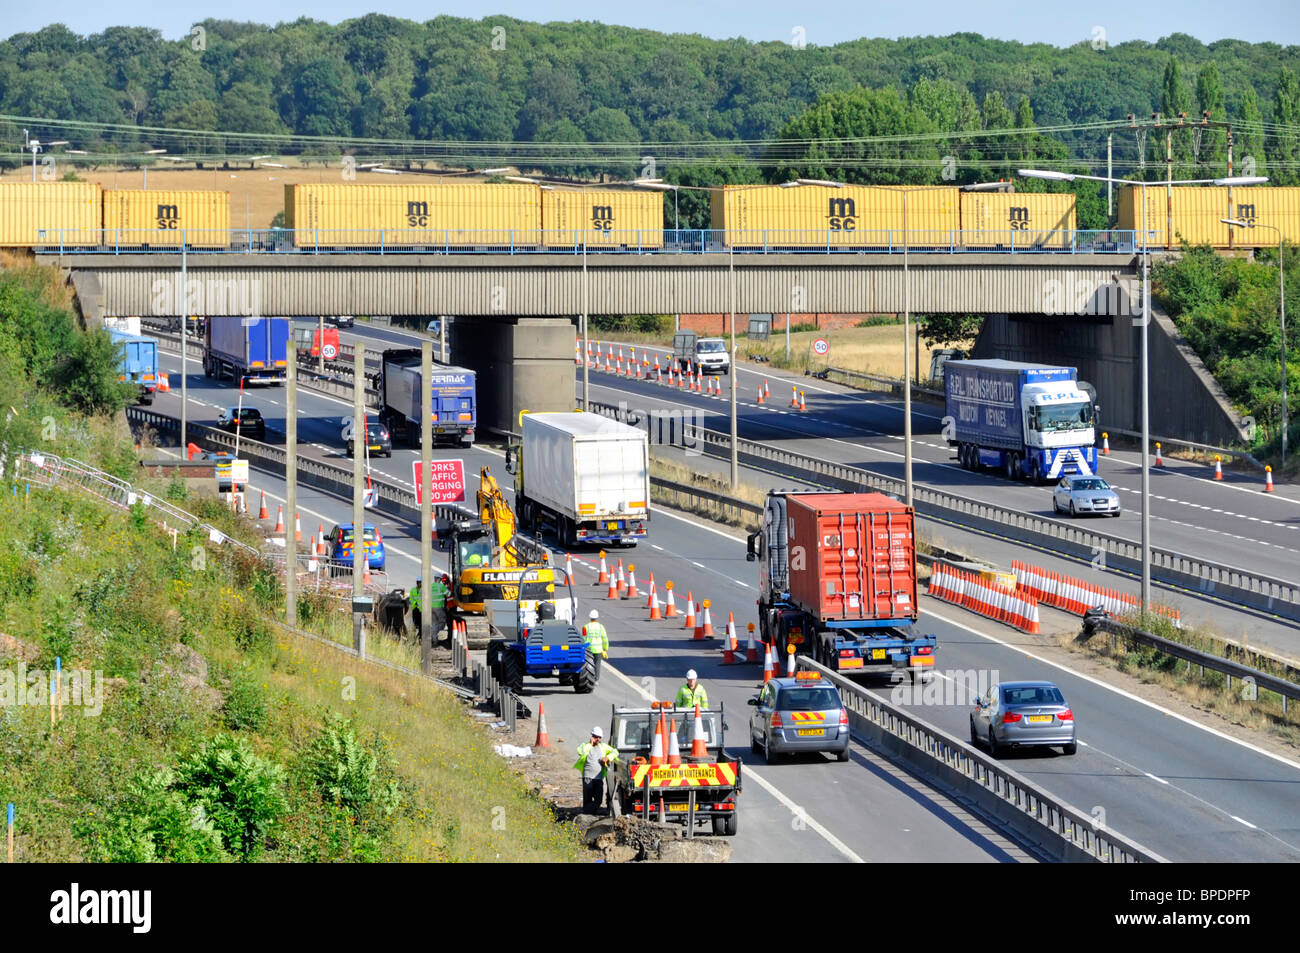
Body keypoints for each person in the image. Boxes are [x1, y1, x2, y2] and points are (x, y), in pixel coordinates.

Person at [574, 726, 619, 815]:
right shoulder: (585, 746)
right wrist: (590, 744)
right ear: (592, 736)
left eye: (599, 737)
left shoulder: (603, 747)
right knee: (588, 798)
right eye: (596, 737)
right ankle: (587, 815)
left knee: (598, 799)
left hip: (598, 778)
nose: (598, 739)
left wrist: (608, 757)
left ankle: (591, 812)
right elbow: (580, 751)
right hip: (587, 777)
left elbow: (615, 752)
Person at [582, 609, 608, 680]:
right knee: (597, 665)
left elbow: (583, 639)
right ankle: (596, 679)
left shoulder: (585, 627)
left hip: (588, 649)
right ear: (597, 618)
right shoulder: (601, 627)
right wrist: (605, 649)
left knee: (587, 665)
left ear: (590, 617)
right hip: (598, 650)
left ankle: (588, 678)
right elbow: (605, 639)